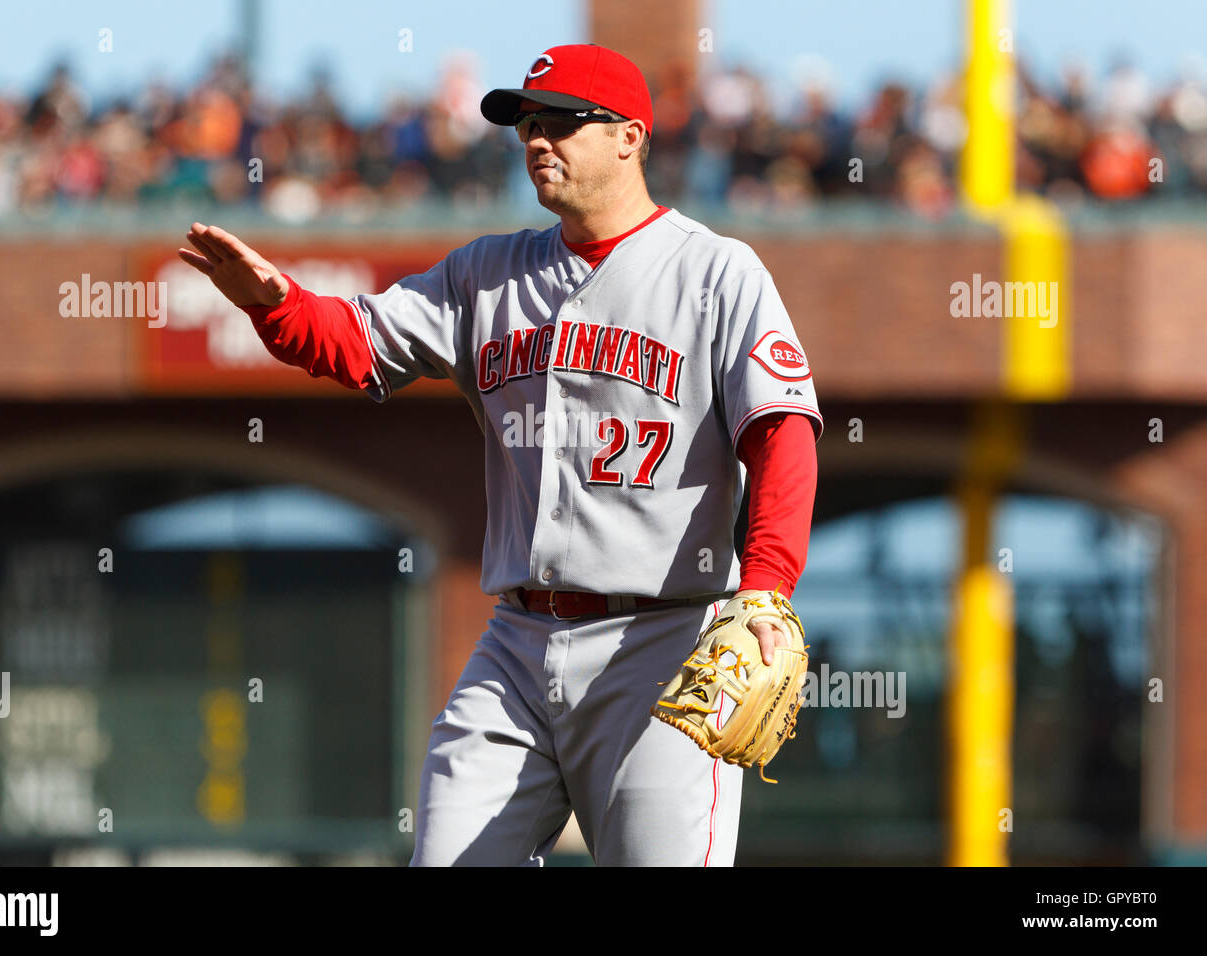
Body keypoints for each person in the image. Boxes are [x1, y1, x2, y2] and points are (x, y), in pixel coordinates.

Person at [178, 43, 821, 866]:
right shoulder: (485, 274)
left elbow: (781, 430)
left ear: (629, 137)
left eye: (560, 123)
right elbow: (358, 346)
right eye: (526, 126)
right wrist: (278, 306)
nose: (536, 142)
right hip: (516, 644)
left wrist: (766, 587)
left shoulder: (716, 272)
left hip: (660, 643)